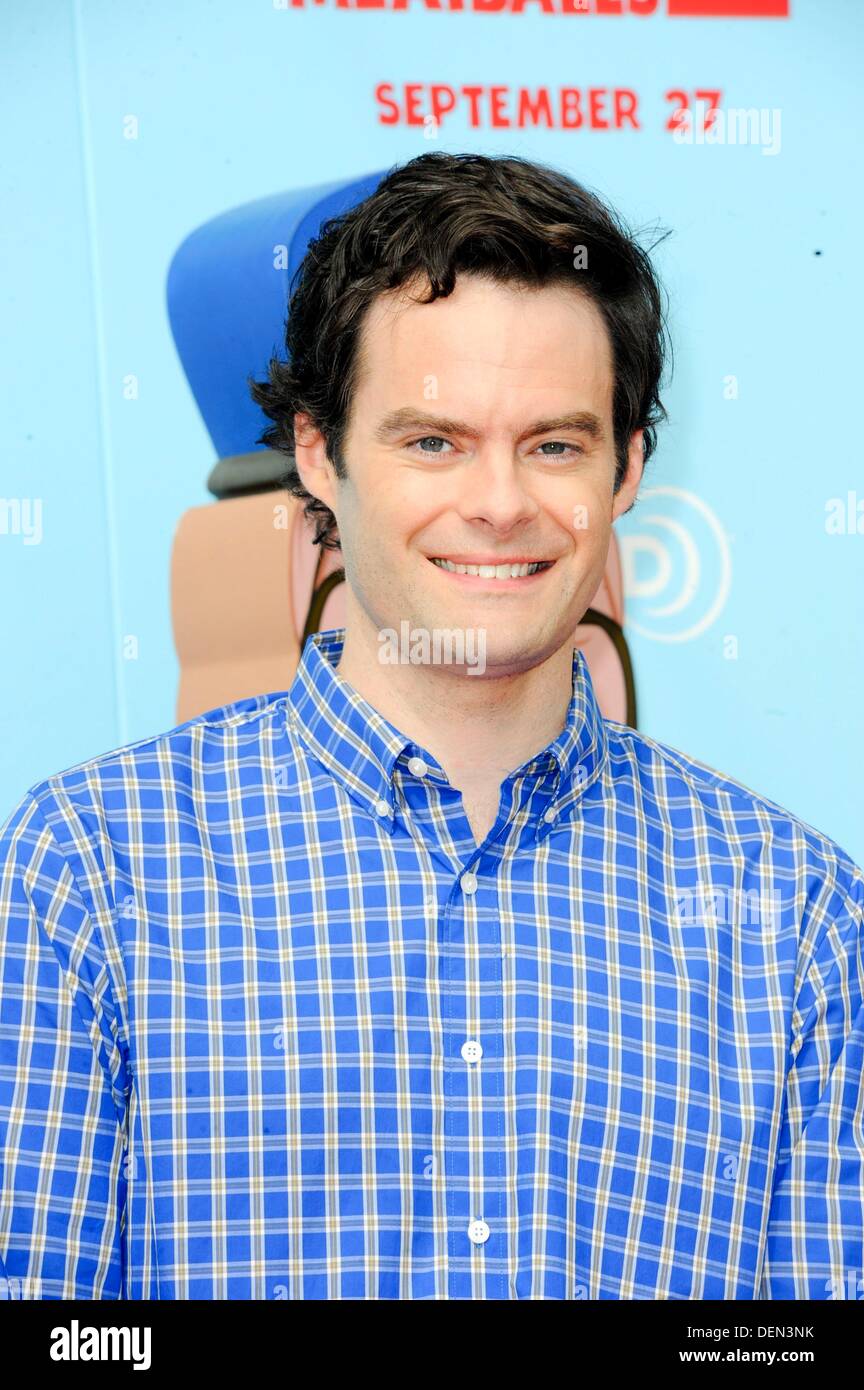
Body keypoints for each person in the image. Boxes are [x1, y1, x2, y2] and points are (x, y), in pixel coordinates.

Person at [1, 152, 861, 1301]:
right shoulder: (90, 874)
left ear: (628, 468)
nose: (499, 503)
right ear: (318, 452)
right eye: (432, 441)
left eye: (554, 443)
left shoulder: (793, 917)